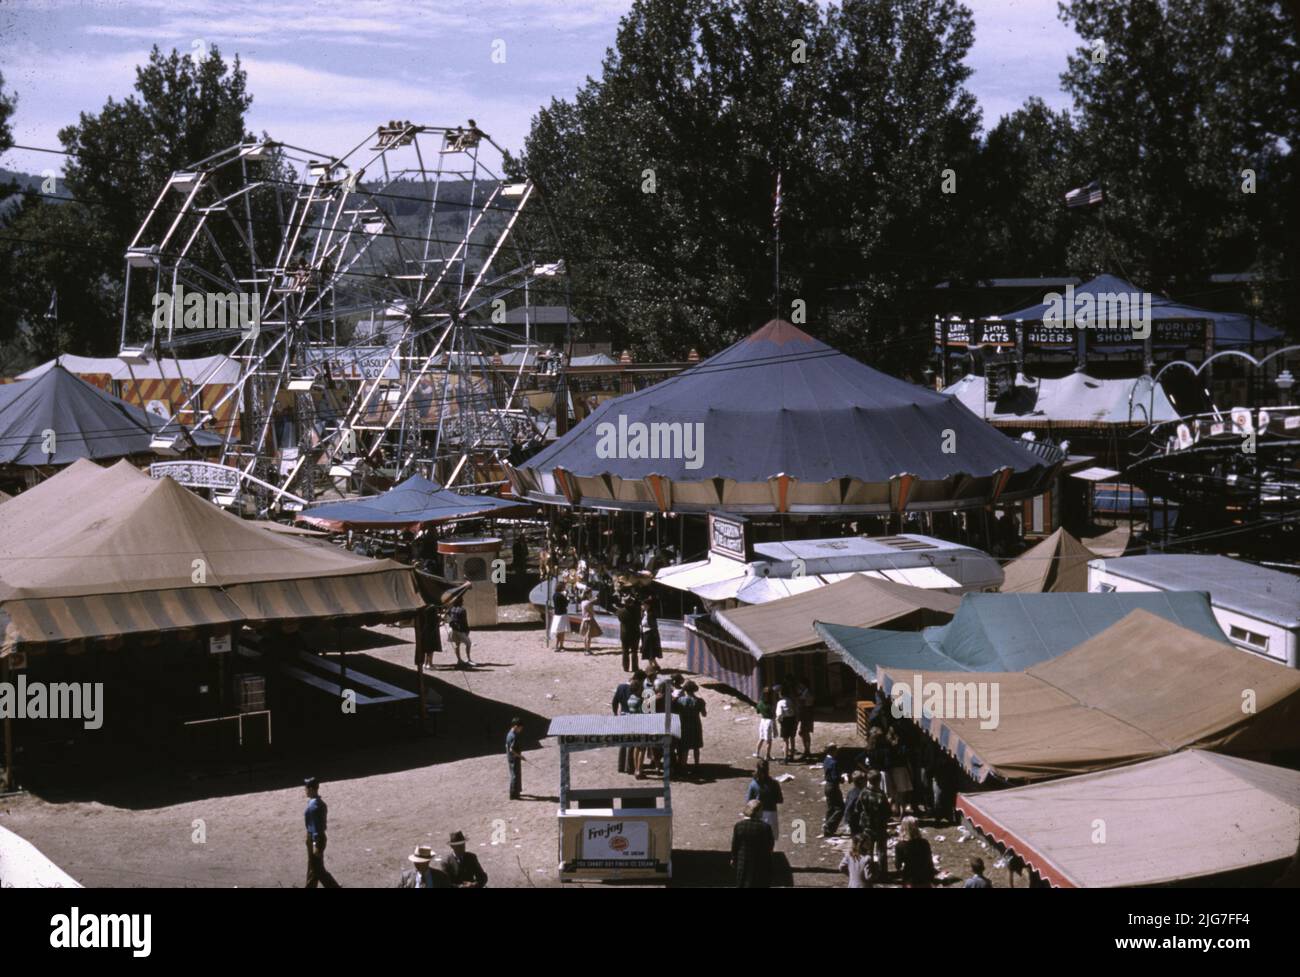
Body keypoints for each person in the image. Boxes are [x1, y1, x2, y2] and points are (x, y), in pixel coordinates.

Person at [303, 776, 340, 888]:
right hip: (316, 838)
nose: (305, 790)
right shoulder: (318, 802)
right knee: (313, 867)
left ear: (311, 789)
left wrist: (316, 845)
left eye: (306, 788)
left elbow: (316, 828)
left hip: (316, 839)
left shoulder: (314, 806)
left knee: (318, 869)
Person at [730, 799, 774, 888]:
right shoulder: (765, 827)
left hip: (743, 861)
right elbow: (770, 845)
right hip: (761, 861)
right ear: (757, 812)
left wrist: (733, 858)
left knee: (742, 883)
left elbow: (735, 844)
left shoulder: (739, 826)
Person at [858, 771, 891, 877]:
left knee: (868, 850)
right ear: (879, 781)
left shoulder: (863, 792)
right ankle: (883, 872)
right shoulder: (881, 795)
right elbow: (887, 812)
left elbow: (857, 808)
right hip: (880, 825)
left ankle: (869, 871)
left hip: (867, 825)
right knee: (881, 850)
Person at [612, 670, 646, 773]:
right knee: (632, 743)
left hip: (623, 716)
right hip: (633, 717)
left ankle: (621, 767)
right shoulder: (637, 689)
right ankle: (630, 767)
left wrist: (615, 714)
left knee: (623, 743)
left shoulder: (621, 687)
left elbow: (614, 702)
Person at [745, 760, 784, 846]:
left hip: (757, 814)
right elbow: (780, 799)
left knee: (757, 840)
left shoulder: (753, 784)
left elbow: (748, 801)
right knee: (770, 839)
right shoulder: (774, 783)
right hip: (771, 813)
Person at [895, 816, 936, 888]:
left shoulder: (900, 846)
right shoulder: (924, 843)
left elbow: (898, 865)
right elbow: (929, 861)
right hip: (924, 877)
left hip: (910, 878)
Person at [676, 680, 704, 775]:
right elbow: (704, 714)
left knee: (685, 747)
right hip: (696, 724)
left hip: (684, 724)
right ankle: (697, 765)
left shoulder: (681, 700)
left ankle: (683, 766)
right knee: (696, 746)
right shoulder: (700, 701)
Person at [822, 743, 845, 836]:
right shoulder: (834, 762)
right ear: (832, 751)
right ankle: (829, 825)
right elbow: (835, 777)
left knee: (831, 808)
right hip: (833, 787)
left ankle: (828, 830)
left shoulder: (826, 760)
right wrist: (842, 778)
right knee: (840, 808)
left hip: (827, 786)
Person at [447, 597, 473, 667]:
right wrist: (467, 630)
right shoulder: (462, 610)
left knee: (457, 644)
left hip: (453, 629)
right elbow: (464, 621)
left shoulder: (451, 609)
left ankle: (459, 660)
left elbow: (449, 616)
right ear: (461, 602)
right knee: (468, 643)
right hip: (460, 629)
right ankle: (469, 659)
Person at [617, 595, 641, 672]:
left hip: (624, 633)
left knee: (625, 651)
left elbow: (620, 620)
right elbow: (639, 620)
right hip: (635, 632)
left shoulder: (620, 611)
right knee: (634, 651)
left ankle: (625, 667)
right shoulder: (637, 610)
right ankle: (635, 667)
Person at [775, 689, 797, 763]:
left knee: (785, 740)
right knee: (792, 738)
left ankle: (785, 758)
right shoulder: (790, 700)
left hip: (785, 721)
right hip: (792, 719)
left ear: (781, 694)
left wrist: (778, 720)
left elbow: (779, 714)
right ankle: (792, 756)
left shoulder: (780, 702)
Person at [639, 597, 662, 664]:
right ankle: (654, 664)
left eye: (644, 605)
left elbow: (653, 625)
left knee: (650, 651)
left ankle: (652, 665)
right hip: (644, 633)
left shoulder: (651, 614)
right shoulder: (643, 613)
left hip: (650, 634)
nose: (642, 606)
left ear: (648, 606)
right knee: (648, 651)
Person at [796, 680, 816, 760]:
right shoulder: (806, 692)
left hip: (806, 714)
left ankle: (807, 751)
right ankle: (807, 750)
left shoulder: (806, 693)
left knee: (804, 732)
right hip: (807, 713)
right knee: (803, 733)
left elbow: (802, 702)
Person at [506, 718, 525, 799]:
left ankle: (516, 791)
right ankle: (513, 794)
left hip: (510, 757)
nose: (520, 730)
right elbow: (511, 749)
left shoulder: (509, 734)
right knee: (515, 775)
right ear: (516, 727)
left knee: (514, 774)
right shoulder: (514, 736)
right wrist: (520, 756)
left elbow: (506, 745)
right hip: (514, 758)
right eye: (520, 728)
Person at [579, 591, 602, 655]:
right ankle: (588, 650)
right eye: (590, 593)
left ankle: (585, 648)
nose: (591, 594)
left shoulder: (582, 602)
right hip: (589, 619)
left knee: (585, 635)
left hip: (584, 619)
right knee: (588, 636)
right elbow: (592, 611)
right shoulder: (589, 603)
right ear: (587, 594)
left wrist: (592, 600)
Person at [844, 773, 867, 838]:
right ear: (861, 781)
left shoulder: (851, 792)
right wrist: (847, 821)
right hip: (857, 820)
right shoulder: (859, 794)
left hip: (855, 820)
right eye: (865, 780)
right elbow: (849, 807)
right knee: (859, 838)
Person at [753, 692, 775, 760]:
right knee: (769, 740)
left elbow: (758, 711)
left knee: (761, 738)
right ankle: (767, 755)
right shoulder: (771, 704)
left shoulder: (760, 703)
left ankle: (757, 753)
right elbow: (773, 713)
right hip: (769, 721)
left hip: (762, 720)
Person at [550, 584, 570, 651]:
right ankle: (558, 646)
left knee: (560, 631)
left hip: (557, 614)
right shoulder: (560, 596)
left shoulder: (555, 595)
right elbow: (566, 603)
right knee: (560, 631)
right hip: (562, 615)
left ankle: (560, 645)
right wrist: (566, 596)